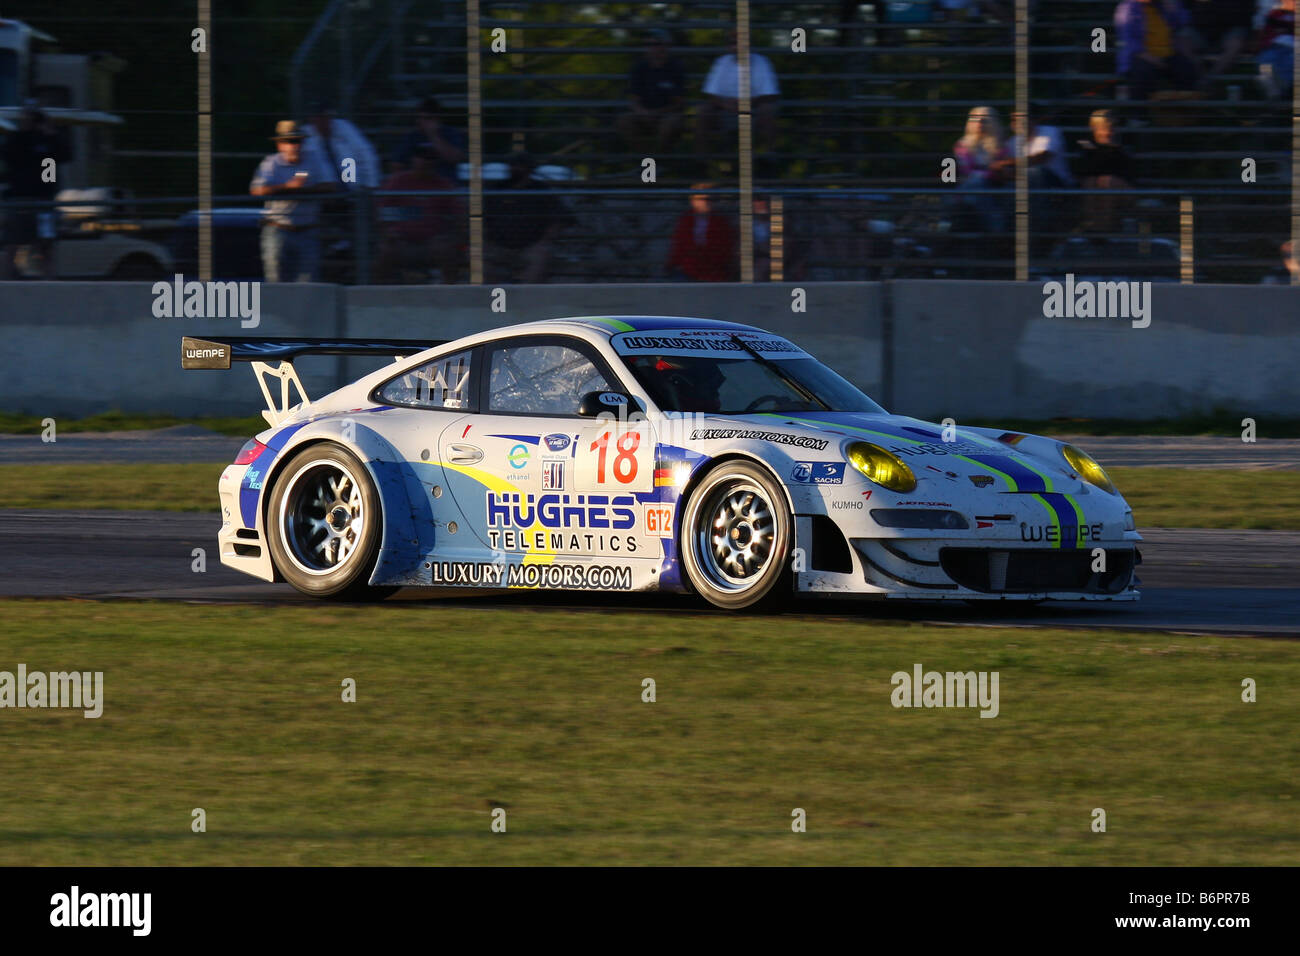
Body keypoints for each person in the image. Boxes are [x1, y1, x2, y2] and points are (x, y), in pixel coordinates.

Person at [249, 120, 336, 282]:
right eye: (289, 141)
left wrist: (302, 190)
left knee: (308, 286)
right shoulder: (271, 163)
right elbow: (257, 190)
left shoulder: (314, 159)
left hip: (308, 232)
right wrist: (288, 187)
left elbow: (330, 185)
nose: (294, 145)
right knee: (277, 284)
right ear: (280, 145)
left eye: (297, 140)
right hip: (278, 230)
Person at [374, 144, 464, 284]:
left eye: (430, 158)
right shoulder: (397, 181)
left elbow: (458, 213)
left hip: (433, 240)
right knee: (386, 251)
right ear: (413, 159)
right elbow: (383, 210)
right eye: (421, 157)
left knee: (447, 250)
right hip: (401, 240)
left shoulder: (443, 184)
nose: (425, 162)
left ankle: (450, 291)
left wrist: (448, 233)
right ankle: (379, 293)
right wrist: (393, 229)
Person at [1, 101, 70, 278]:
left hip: (44, 199)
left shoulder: (48, 140)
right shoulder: (16, 139)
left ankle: (49, 282)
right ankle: (6, 284)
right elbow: (9, 158)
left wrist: (51, 134)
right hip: (20, 199)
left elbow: (65, 155)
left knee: (46, 247)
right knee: (12, 245)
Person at [483, 153, 574, 284]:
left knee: (541, 256)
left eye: (519, 166)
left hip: (530, 246)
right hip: (496, 245)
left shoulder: (541, 190)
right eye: (512, 165)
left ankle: (523, 296)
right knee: (477, 256)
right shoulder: (497, 188)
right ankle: (495, 297)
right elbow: (478, 216)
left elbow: (560, 218)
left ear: (529, 169)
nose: (514, 169)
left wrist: (545, 241)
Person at [696, 29, 780, 153]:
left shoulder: (762, 62)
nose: (737, 46)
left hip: (754, 112)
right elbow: (711, 94)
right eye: (733, 43)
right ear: (728, 46)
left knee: (767, 110)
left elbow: (770, 95)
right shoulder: (721, 62)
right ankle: (701, 157)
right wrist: (725, 104)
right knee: (704, 110)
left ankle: (770, 155)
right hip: (725, 111)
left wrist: (746, 103)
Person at [1114, 0, 1200, 101]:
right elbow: (1129, 41)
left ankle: (1184, 112)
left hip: (1168, 53)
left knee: (1187, 70)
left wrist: (1172, 9)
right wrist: (1150, 58)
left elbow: (1182, 23)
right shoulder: (1128, 8)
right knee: (1143, 73)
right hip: (1141, 56)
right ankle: (1138, 114)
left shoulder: (1165, 4)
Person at [617, 30, 687, 153]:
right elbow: (634, 99)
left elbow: (679, 103)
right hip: (643, 115)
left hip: (667, 115)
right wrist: (643, 113)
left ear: (666, 45)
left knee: (671, 124)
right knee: (624, 121)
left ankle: (660, 158)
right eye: (649, 44)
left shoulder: (676, 68)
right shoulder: (639, 68)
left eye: (656, 44)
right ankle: (645, 157)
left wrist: (656, 113)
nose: (652, 48)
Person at [951, 106, 1011, 232]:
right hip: (971, 184)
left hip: (994, 185)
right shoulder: (962, 145)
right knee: (975, 184)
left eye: (984, 120)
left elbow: (1003, 172)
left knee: (976, 185)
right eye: (975, 119)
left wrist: (987, 174)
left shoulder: (1002, 146)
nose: (979, 123)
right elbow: (966, 170)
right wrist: (989, 171)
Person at [1075, 110, 1135, 234]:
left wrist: (1112, 147)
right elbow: (1085, 170)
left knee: (1108, 182)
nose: (1108, 132)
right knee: (1091, 183)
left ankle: (1103, 229)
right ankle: (1091, 226)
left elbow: (1125, 172)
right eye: (1103, 128)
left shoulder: (1123, 146)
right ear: (1094, 129)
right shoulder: (1086, 145)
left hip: (1122, 187)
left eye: (1111, 128)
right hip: (1096, 186)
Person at [300, 100, 381, 189]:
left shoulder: (345, 128)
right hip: (323, 191)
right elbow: (302, 166)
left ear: (330, 117)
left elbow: (367, 155)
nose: (320, 121)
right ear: (311, 119)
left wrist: (371, 185)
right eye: (316, 117)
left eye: (323, 117)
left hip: (354, 189)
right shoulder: (304, 135)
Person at [666, 184, 737, 281]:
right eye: (701, 199)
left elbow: (723, 250)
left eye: (709, 199)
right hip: (689, 269)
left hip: (713, 270)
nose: (706, 202)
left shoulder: (721, 222)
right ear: (693, 201)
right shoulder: (686, 221)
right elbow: (680, 246)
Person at [395, 96, 467, 181]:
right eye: (418, 118)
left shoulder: (451, 133)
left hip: (446, 185)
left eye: (426, 118)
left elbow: (455, 158)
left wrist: (433, 135)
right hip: (417, 186)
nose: (420, 122)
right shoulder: (412, 136)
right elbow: (397, 164)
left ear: (437, 119)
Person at [1256, 0, 1295, 100]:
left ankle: (1281, 89)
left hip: (1292, 49)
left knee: (1290, 64)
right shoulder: (1273, 13)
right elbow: (1265, 29)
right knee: (1265, 62)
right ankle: (1271, 84)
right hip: (1272, 46)